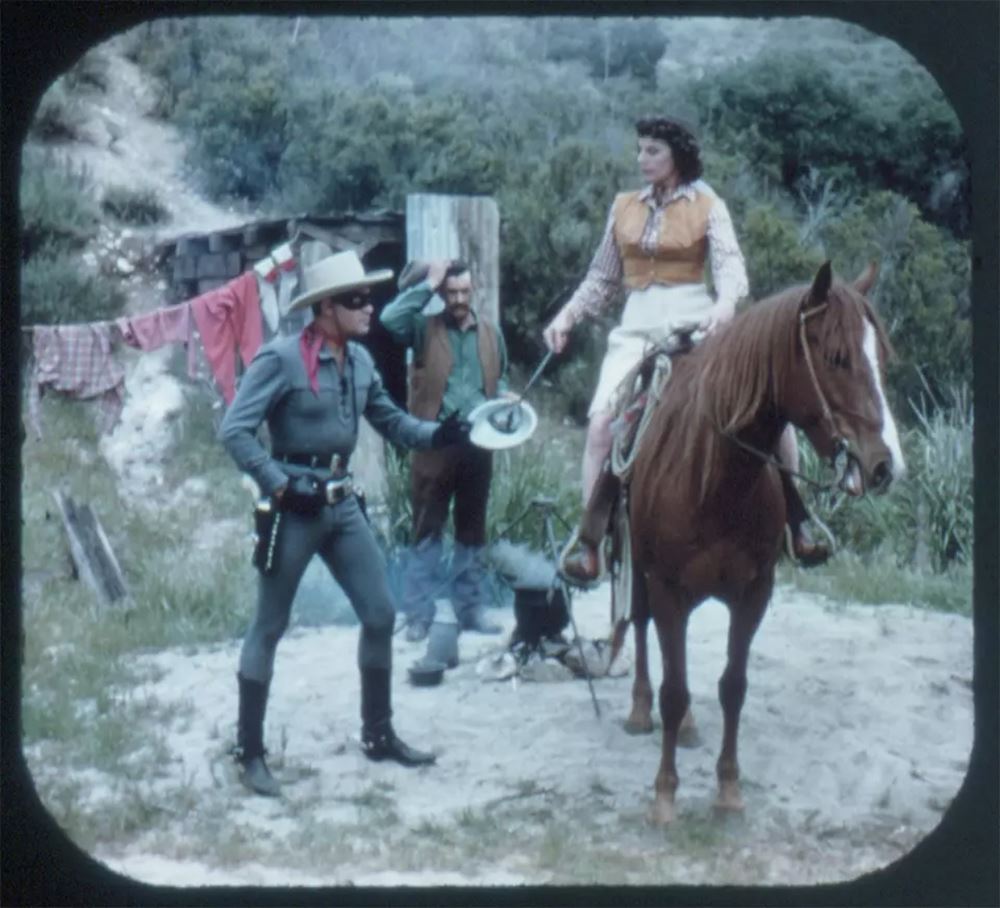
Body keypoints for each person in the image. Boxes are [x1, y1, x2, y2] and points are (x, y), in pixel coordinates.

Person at [220, 250, 471, 797]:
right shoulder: (281, 359)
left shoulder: (359, 362)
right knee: (269, 625)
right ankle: (250, 751)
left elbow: (394, 423)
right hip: (293, 506)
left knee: (381, 612)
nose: (368, 307)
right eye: (355, 300)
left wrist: (441, 434)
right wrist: (280, 483)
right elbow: (234, 431)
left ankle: (378, 735)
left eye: (368, 297)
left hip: (341, 505)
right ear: (325, 309)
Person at [543, 114, 829, 582]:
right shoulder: (623, 207)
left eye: (653, 151)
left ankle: (797, 518)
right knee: (600, 427)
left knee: (767, 410)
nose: (642, 159)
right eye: (640, 150)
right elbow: (602, 278)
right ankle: (592, 540)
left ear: (677, 156)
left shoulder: (707, 203)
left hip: (696, 323)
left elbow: (731, 265)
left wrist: (723, 304)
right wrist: (567, 317)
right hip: (637, 329)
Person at [380, 259, 509, 642]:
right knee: (426, 531)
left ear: (474, 290)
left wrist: (505, 397)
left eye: (464, 292)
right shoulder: (422, 328)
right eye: (451, 292)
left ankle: (470, 610)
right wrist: (428, 283)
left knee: (472, 532)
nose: (458, 300)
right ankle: (419, 614)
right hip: (435, 444)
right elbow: (388, 319)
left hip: (479, 445)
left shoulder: (491, 333)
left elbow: (498, 376)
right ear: (441, 293)